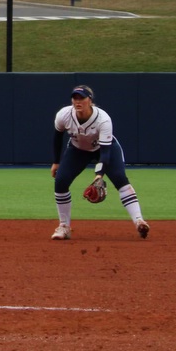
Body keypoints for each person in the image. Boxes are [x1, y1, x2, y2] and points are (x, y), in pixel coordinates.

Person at [49, 84, 150, 240]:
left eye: (81, 98)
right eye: (75, 97)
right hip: (78, 150)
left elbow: (105, 152)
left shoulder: (103, 119)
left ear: (90, 100)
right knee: (61, 182)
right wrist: (56, 162)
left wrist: (99, 175)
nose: (77, 101)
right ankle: (64, 226)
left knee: (120, 180)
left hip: (105, 149)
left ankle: (139, 221)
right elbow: (57, 137)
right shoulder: (64, 115)